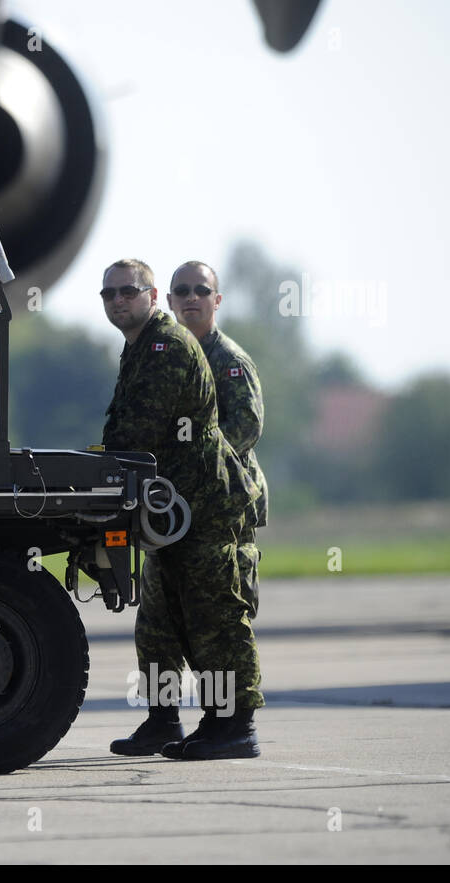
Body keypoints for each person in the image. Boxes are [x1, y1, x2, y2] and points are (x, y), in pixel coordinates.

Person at [98, 258, 264, 760]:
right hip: (173, 510)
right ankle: (165, 718)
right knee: (161, 622)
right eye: (109, 294)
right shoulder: (141, 347)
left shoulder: (167, 347)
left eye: (128, 291)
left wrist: (98, 473)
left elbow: (138, 431)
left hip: (205, 506)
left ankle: (233, 725)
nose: (118, 300)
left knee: (213, 615)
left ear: (150, 297)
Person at [167, 261, 268, 619]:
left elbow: (246, 426)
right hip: (182, 504)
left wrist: (192, 460)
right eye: (182, 291)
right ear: (169, 301)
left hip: (226, 502)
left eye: (202, 290)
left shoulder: (228, 359)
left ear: (217, 299)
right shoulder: (172, 357)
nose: (191, 297)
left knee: (226, 614)